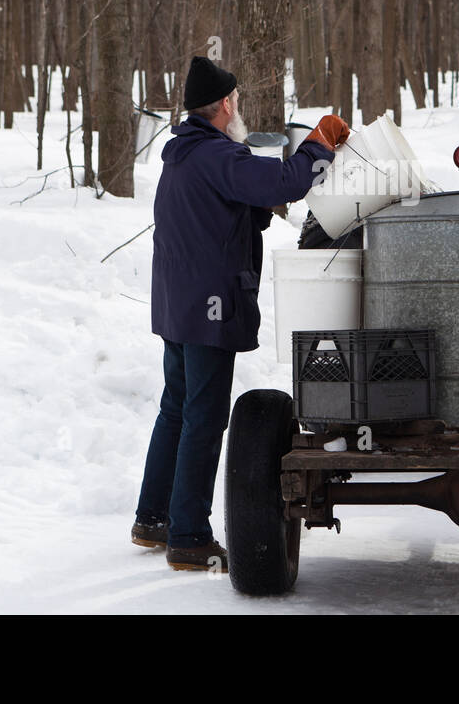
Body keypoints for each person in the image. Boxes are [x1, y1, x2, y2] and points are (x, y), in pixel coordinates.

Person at [134, 56, 350, 571]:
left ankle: (154, 518)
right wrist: (320, 143)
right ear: (226, 104)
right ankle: (187, 537)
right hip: (206, 308)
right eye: (237, 102)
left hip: (177, 304)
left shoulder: (184, 155)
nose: (239, 110)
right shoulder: (218, 157)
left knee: (177, 409)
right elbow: (285, 184)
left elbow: (229, 206)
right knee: (204, 418)